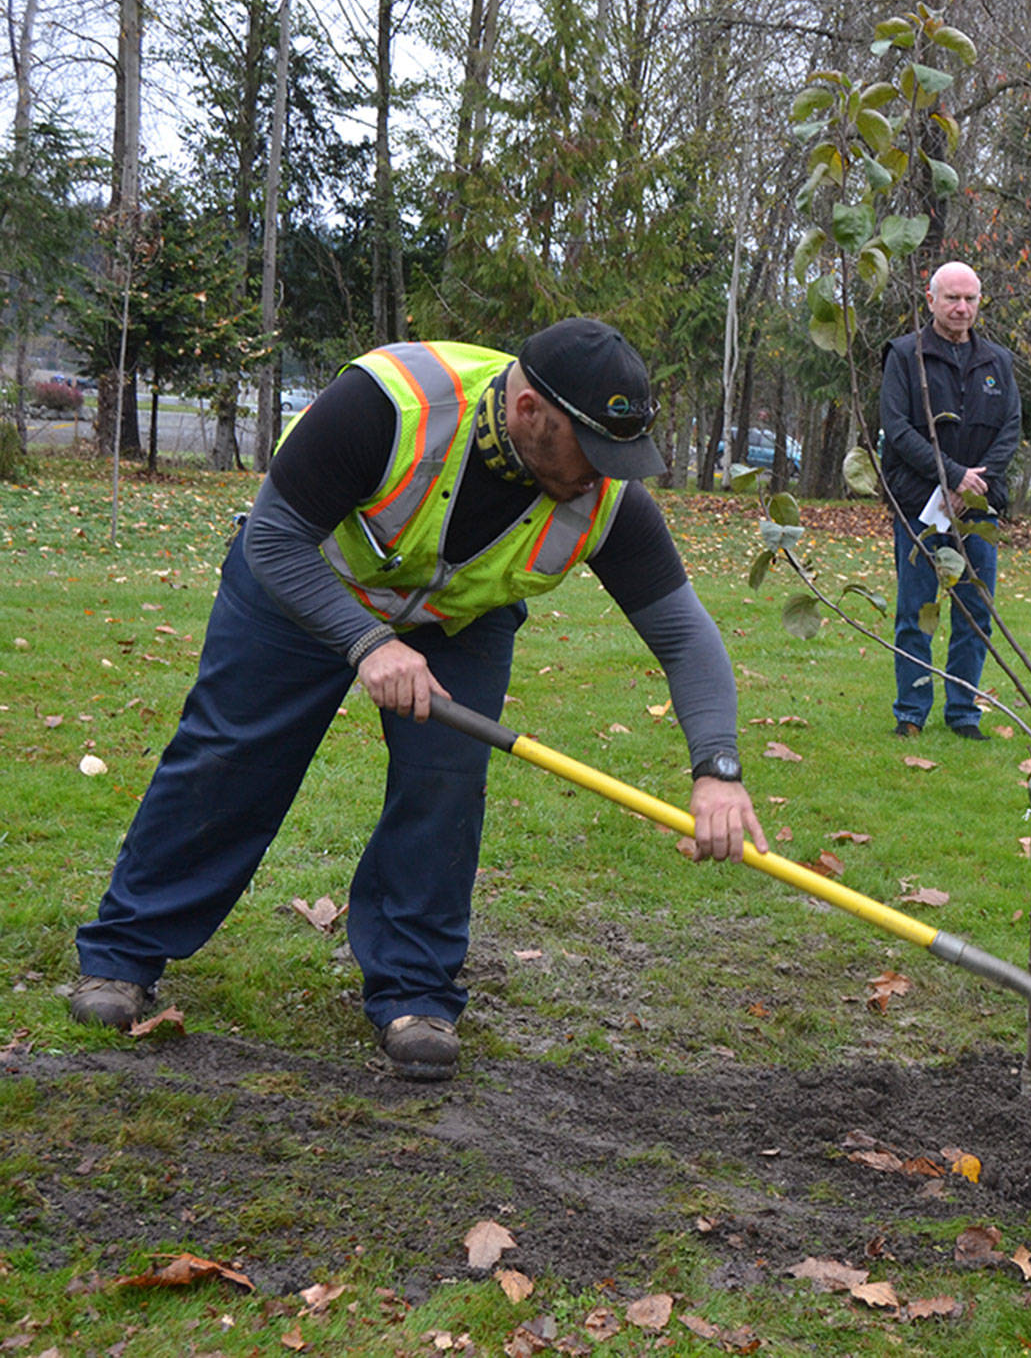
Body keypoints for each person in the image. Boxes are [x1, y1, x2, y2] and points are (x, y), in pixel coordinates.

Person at [68, 318, 767, 1081]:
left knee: (446, 782)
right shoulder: (389, 404)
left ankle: (415, 991)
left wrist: (717, 768)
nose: (604, 476)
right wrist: (367, 641)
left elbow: (684, 636)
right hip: (304, 580)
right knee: (232, 754)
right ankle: (122, 956)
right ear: (530, 410)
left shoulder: (605, 500)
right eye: (591, 452)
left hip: (455, 619)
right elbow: (272, 538)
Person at [879, 262, 1021, 741]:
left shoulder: (998, 362)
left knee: (975, 614)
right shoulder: (904, 356)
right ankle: (911, 712)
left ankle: (963, 713)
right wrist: (952, 478)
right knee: (915, 612)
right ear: (931, 299)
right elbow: (897, 430)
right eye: (952, 298)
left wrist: (972, 487)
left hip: (979, 508)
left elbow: (1010, 430)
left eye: (971, 299)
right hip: (920, 504)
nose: (962, 308)